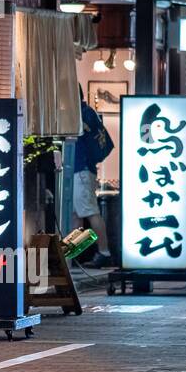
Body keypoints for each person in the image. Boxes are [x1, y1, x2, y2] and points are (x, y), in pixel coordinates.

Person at [73, 96, 116, 267]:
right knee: (76, 215)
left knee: (90, 211)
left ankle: (104, 252)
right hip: (80, 169)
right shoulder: (87, 112)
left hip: (82, 169)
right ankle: (71, 255)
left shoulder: (82, 114)